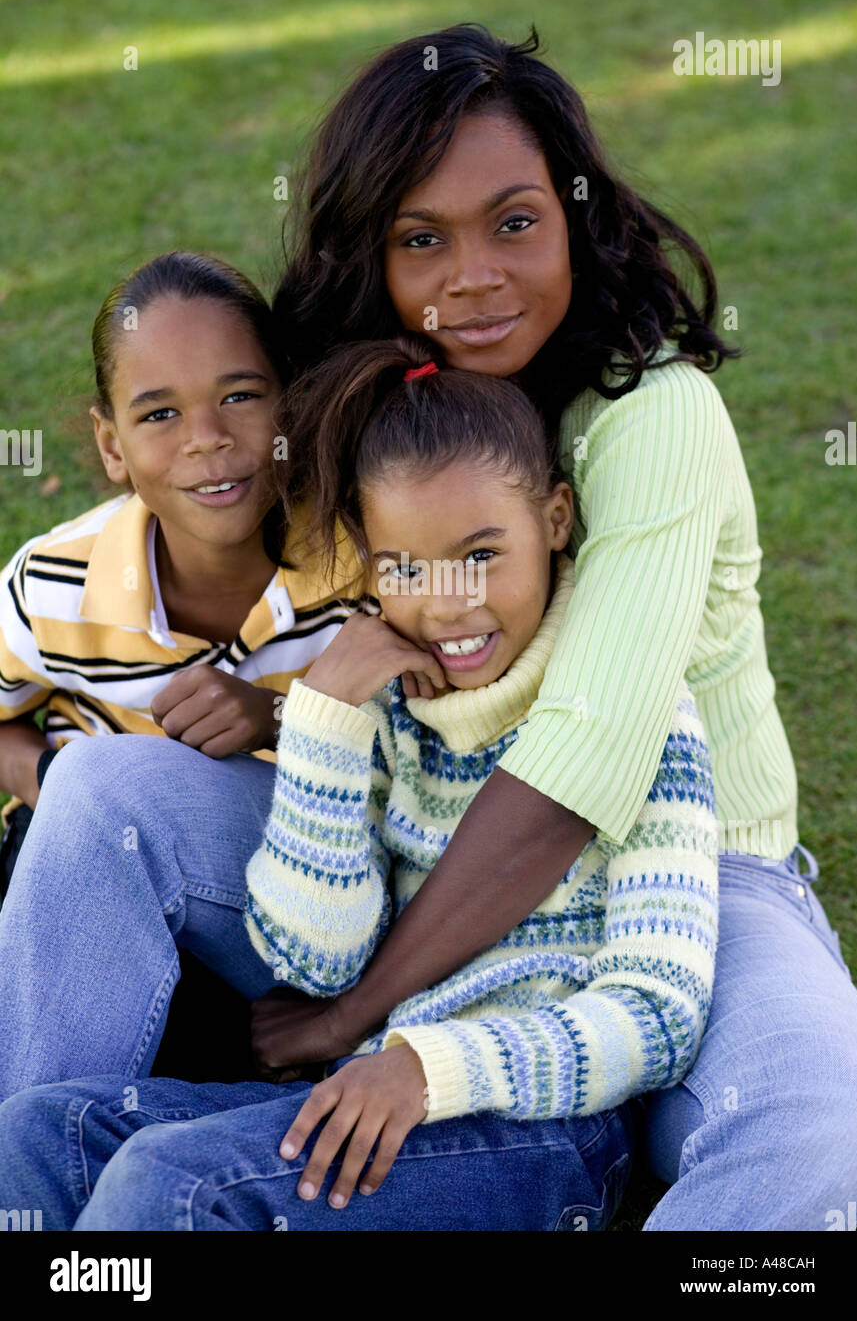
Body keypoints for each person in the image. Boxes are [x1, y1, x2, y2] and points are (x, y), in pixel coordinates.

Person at [0, 23, 857, 1230]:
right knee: (100, 802)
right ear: (378, 256)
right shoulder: (378, 401)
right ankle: (43, 1196)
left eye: (515, 221)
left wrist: (364, 1017)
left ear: (576, 219)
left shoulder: (651, 419)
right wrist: (295, 715)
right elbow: (191, 471)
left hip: (673, 874)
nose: (473, 277)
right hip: (407, 834)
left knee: (822, 1123)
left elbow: (579, 771)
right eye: (421, 239)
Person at [0, 336, 718, 1230]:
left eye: (482, 554)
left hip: (549, 1129)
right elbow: (316, 960)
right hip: (371, 1097)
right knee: (37, 1136)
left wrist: (429, 1064)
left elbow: (658, 1011)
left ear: (557, 518)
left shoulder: (633, 706)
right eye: (403, 570)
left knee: (166, 1188)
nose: (447, 604)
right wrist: (326, 719)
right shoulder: (388, 703)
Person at [0, 249, 366, 1076]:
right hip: (89, 895)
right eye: (158, 415)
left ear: (291, 405)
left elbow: (436, 767)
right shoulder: (53, 585)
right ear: (111, 444)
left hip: (297, 899)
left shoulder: (364, 572)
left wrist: (280, 718)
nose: (207, 440)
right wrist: (52, 783)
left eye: (240, 396)